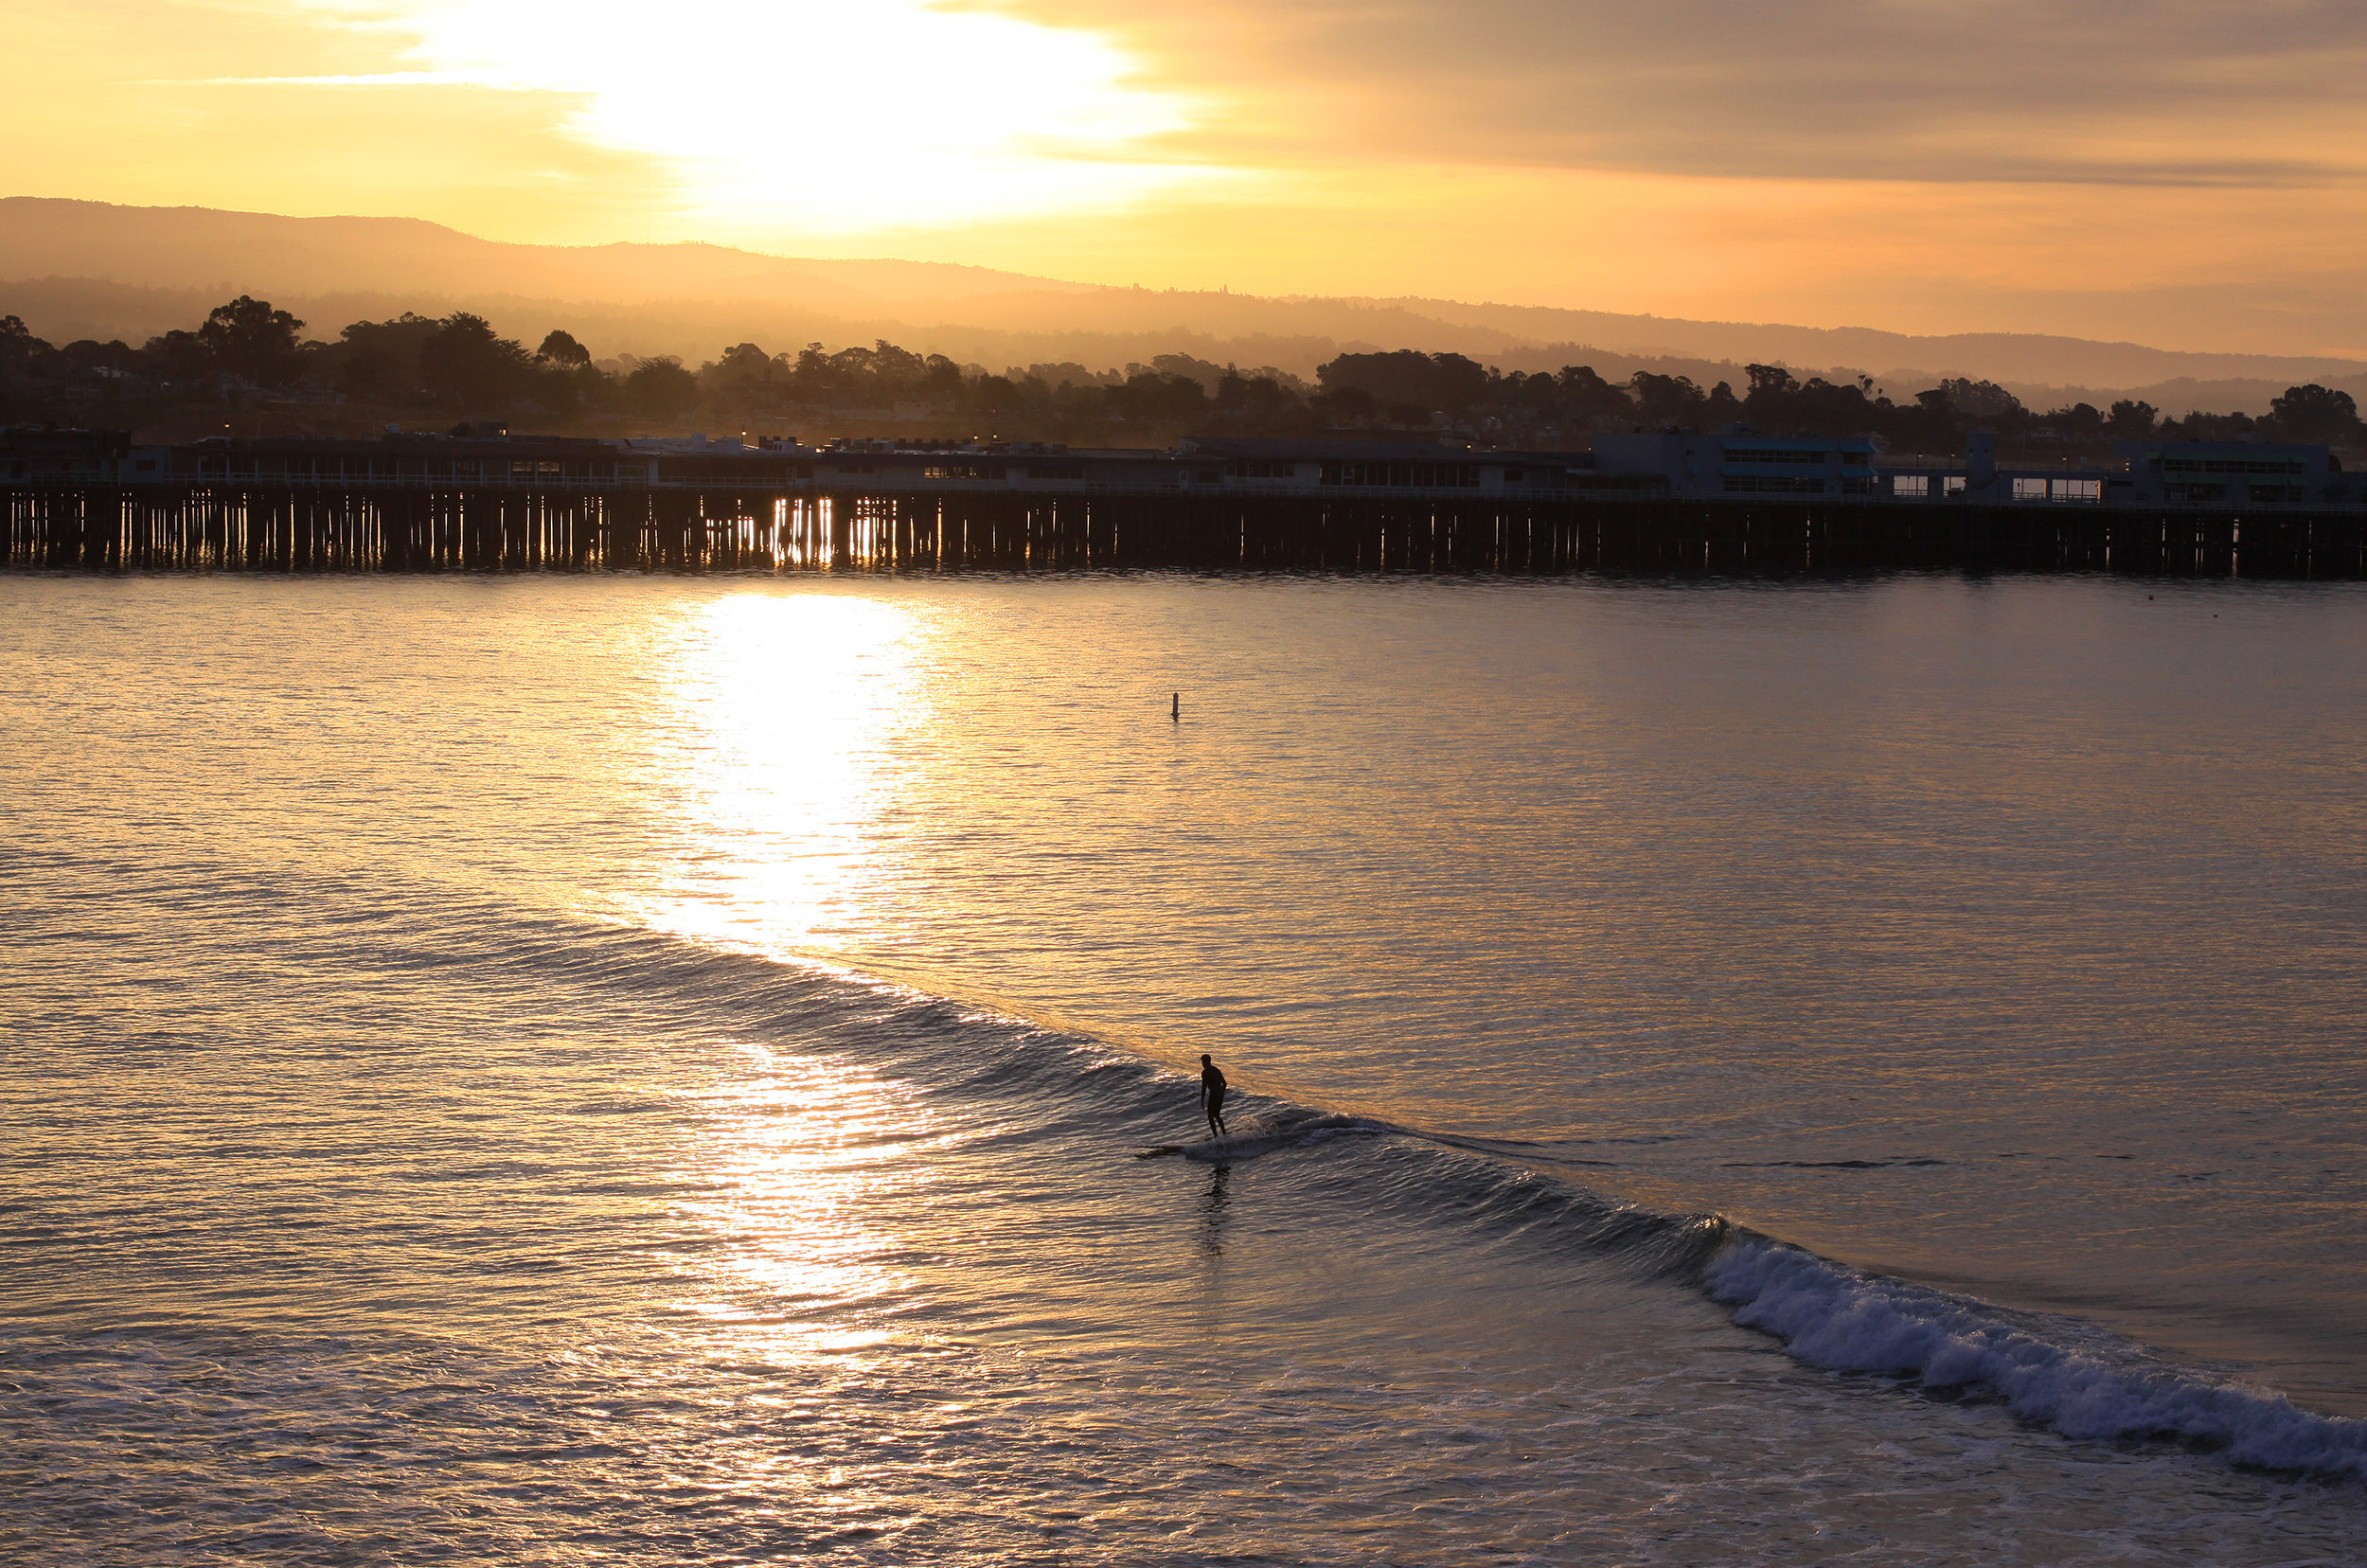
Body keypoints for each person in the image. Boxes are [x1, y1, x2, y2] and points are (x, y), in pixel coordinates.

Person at [1199, 1054, 1228, 1140]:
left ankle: (1216, 1136)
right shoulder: (1216, 1070)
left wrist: (1202, 1100)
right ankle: (1224, 1134)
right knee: (1216, 1115)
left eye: (1203, 1062)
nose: (1202, 1064)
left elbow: (1204, 1087)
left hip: (1214, 1095)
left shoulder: (1205, 1073)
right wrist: (1221, 1092)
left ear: (1207, 1062)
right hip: (1219, 1095)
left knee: (1211, 1116)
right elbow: (1225, 1084)